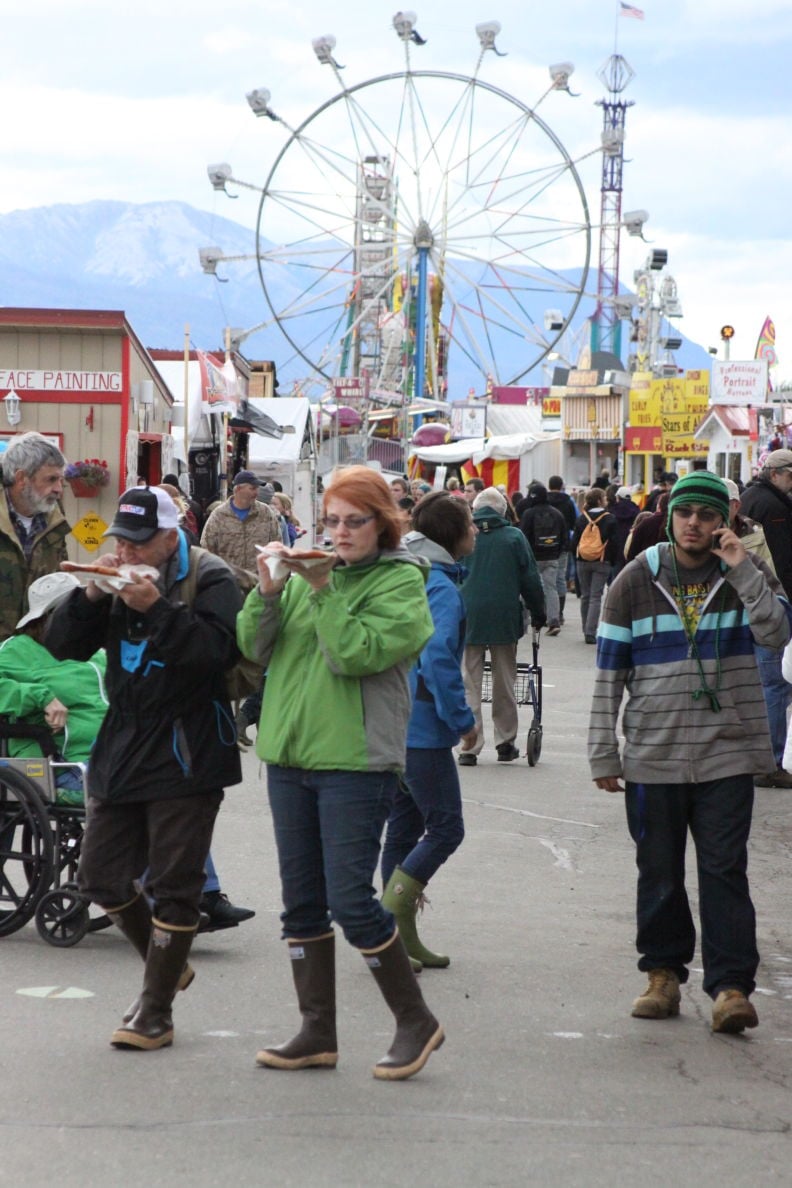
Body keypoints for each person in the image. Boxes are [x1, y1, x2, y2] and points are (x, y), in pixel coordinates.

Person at [237, 465, 444, 1081]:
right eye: (331, 521)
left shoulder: (403, 583)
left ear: (384, 524)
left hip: (356, 760)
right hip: (290, 755)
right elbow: (253, 649)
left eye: (356, 521)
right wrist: (267, 592)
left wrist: (323, 589)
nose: (341, 532)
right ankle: (316, 1032)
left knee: (351, 900)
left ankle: (416, 1021)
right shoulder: (307, 573)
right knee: (301, 903)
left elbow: (355, 654)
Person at [589, 471, 790, 1034]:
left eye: (706, 514)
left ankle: (730, 988)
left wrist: (742, 569)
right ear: (671, 517)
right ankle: (662, 976)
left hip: (728, 751)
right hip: (654, 753)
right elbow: (609, 671)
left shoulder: (746, 571)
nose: (694, 523)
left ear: (725, 521)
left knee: (725, 870)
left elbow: (776, 635)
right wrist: (603, 750)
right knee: (658, 871)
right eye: (685, 513)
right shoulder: (635, 579)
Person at [46, 485, 244, 1051]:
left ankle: (154, 1011)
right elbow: (60, 646)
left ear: (169, 535)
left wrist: (155, 608)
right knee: (99, 877)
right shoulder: (117, 576)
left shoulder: (210, 576)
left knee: (175, 888)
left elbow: (215, 653)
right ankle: (167, 963)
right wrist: (91, 592)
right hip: (125, 737)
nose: (127, 551)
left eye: (139, 542)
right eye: (121, 541)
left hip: (189, 743)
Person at [0, 569, 253, 930]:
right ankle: (170, 901)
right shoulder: (15, 651)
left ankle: (206, 895)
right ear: (46, 617)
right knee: (145, 793)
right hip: (61, 758)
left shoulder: (93, 648)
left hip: (113, 748)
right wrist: (38, 696)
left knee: (176, 786)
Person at [381, 491, 477, 969]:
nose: (475, 530)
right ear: (453, 535)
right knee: (446, 828)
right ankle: (390, 917)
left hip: (392, 720)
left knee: (403, 828)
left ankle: (393, 938)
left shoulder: (408, 570)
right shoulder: (439, 585)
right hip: (421, 726)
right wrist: (463, 720)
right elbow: (437, 657)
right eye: (470, 524)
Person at [459, 486, 545, 765]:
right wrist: (539, 612)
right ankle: (505, 742)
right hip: (504, 616)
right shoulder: (514, 537)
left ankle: (469, 746)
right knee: (504, 679)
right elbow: (530, 579)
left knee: (469, 681)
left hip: (468, 615)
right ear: (503, 511)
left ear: (475, 509)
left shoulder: (464, 535)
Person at [201, 470, 279, 745]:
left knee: (261, 656)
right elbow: (206, 552)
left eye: (257, 488)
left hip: (261, 592)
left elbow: (278, 549)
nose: (257, 492)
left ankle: (246, 717)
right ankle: (230, 718)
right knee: (229, 656)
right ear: (238, 489)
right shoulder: (218, 517)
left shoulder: (267, 515)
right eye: (252, 487)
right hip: (228, 592)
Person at [724, 477, 792, 790]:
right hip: (730, 624)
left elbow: (770, 573)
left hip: (759, 617)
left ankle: (767, 761)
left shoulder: (754, 529)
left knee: (772, 685)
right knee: (765, 687)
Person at [0, 431, 70, 641]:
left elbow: (58, 584)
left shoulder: (54, 520)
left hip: (34, 651)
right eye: (51, 479)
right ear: (21, 478)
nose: (58, 489)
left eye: (61, 480)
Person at [739, 449, 792, 602]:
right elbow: (780, 557)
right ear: (774, 474)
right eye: (790, 476)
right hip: (769, 589)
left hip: (747, 581)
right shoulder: (775, 507)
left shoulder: (749, 495)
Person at [519, 482, 567, 635]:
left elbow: (522, 536)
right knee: (551, 588)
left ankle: (524, 622)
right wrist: (556, 553)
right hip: (551, 557)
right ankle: (554, 621)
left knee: (527, 589)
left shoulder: (528, 514)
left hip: (533, 557)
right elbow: (564, 536)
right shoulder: (557, 513)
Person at [571, 487, 618, 644]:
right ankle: (591, 632)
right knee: (595, 596)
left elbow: (574, 541)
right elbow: (614, 543)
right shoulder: (610, 518)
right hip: (602, 561)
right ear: (599, 500)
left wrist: (577, 556)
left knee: (585, 595)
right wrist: (612, 561)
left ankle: (585, 628)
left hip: (582, 561)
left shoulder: (581, 518)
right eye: (604, 498)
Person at [611, 487, 639, 574]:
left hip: (616, 546)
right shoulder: (636, 510)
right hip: (631, 545)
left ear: (618, 497)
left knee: (616, 572)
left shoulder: (613, 510)